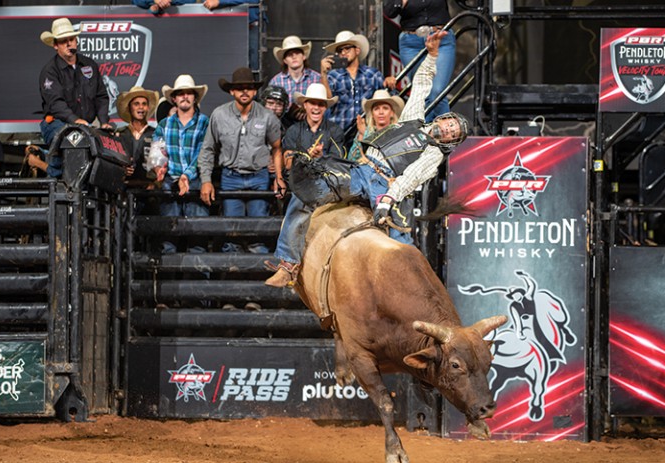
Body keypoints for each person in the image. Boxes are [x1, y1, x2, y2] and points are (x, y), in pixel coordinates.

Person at [265, 31, 469, 287]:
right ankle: (288, 262)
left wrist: (389, 199)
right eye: (450, 124)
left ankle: (417, 288)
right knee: (304, 192)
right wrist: (431, 56)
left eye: (453, 133)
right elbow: (421, 86)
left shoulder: (434, 152)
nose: (448, 129)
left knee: (401, 243)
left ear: (450, 141)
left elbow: (412, 176)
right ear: (444, 118)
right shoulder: (413, 118)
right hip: (361, 171)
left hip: (387, 185)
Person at [264, 83, 345, 287]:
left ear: (325, 107)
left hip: (327, 183)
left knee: (300, 201)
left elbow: (338, 163)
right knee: (300, 198)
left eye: (320, 104)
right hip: (303, 183)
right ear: (305, 106)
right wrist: (309, 156)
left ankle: (289, 263)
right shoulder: (293, 131)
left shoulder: (335, 131)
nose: (316, 108)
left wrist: (320, 158)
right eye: (312, 104)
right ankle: (289, 263)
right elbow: (288, 161)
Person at [198, 67, 283, 254]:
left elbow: (277, 147)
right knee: (231, 231)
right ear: (232, 91)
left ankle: (260, 278)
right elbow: (208, 149)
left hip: (259, 176)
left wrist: (278, 176)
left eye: (248, 87)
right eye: (239, 88)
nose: (244, 91)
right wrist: (206, 180)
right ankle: (231, 275)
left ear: (254, 91)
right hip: (231, 177)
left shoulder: (267, 116)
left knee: (259, 231)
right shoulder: (219, 115)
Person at [37, 18, 112, 177]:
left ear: (76, 41)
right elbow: (55, 103)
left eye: (71, 39)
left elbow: (101, 96)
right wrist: (75, 120)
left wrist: (104, 121)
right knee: (72, 141)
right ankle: (53, 173)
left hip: (85, 125)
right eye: (63, 41)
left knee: (98, 147)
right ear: (55, 45)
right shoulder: (50, 71)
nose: (69, 44)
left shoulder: (89, 65)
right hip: (57, 123)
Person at [153, 74, 210, 254]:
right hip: (170, 180)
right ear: (174, 98)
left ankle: (198, 280)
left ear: (195, 97)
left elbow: (204, 152)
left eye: (189, 93)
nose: (185, 96)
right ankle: (168, 280)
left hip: (195, 181)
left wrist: (187, 175)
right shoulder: (164, 124)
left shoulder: (205, 123)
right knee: (168, 237)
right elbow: (157, 152)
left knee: (198, 235)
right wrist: (158, 167)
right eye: (180, 93)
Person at [384, 0, 455, 122]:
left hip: (440, 38)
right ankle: (426, 135)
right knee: (422, 91)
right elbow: (390, 12)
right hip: (411, 42)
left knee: (437, 91)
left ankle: (447, 135)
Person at [321, 30, 384, 143]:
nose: (344, 52)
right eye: (340, 50)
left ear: (357, 50)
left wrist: (389, 81)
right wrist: (324, 74)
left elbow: (384, 99)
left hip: (368, 132)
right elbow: (327, 101)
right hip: (339, 134)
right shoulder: (333, 76)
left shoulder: (373, 74)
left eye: (347, 48)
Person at [269, 36, 322, 124]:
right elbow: (270, 109)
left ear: (304, 56)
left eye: (297, 53)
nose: (294, 57)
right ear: (285, 60)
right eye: (290, 55)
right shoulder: (276, 82)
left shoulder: (316, 78)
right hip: (283, 126)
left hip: (312, 125)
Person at [116, 86, 159, 193]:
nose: (141, 107)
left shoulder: (156, 134)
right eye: (136, 104)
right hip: (123, 191)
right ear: (129, 108)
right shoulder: (119, 134)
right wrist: (122, 170)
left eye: (144, 104)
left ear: (148, 108)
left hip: (150, 192)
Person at [347, 89, 404, 162]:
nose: (381, 112)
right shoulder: (366, 131)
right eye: (376, 109)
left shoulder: (398, 133)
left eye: (385, 108)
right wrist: (362, 135)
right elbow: (352, 160)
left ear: (392, 113)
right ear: (372, 114)